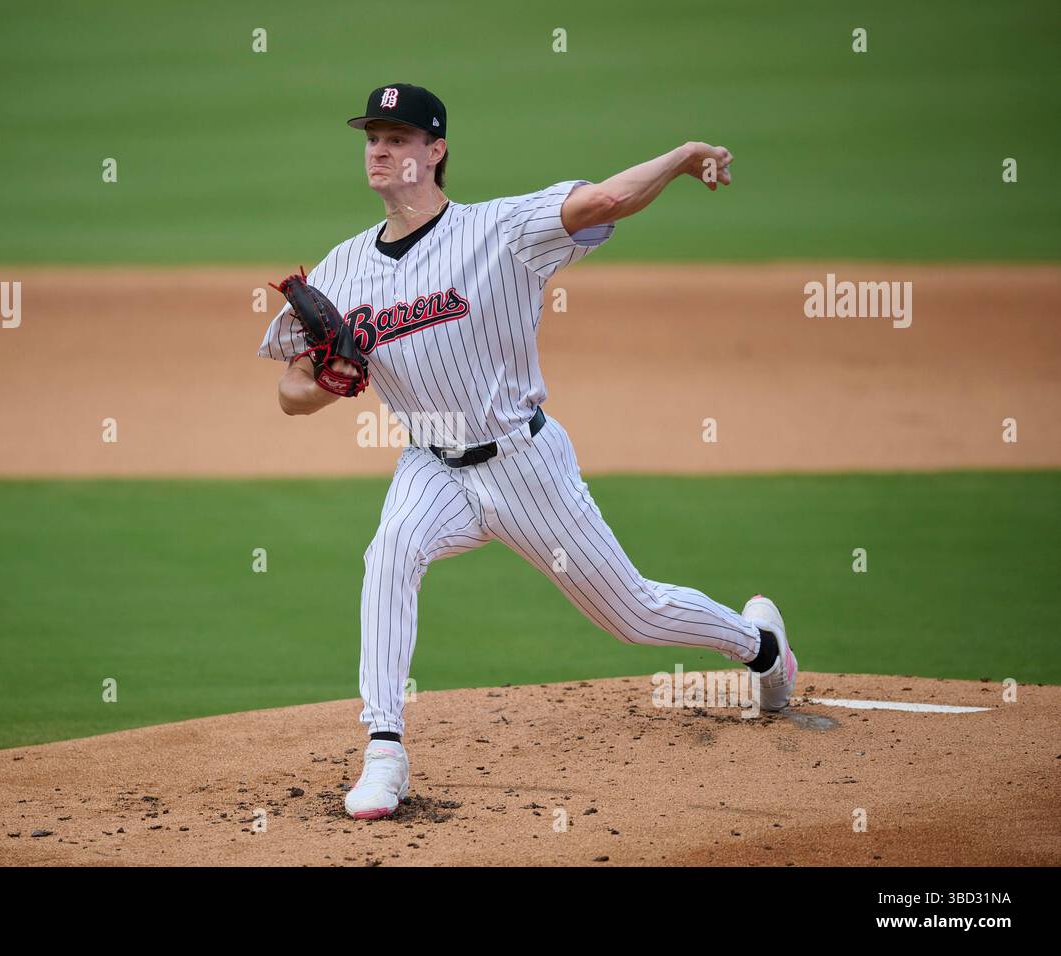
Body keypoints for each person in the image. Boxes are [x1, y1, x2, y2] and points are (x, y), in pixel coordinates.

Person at [257, 83, 796, 821]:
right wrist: (325, 383)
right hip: (431, 465)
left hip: (524, 465)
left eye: (398, 137)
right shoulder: (342, 268)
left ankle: (759, 645)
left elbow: (602, 201)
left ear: (435, 152)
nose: (379, 150)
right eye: (372, 137)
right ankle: (384, 751)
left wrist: (678, 159)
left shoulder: (501, 230)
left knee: (633, 615)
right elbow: (290, 388)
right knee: (388, 554)